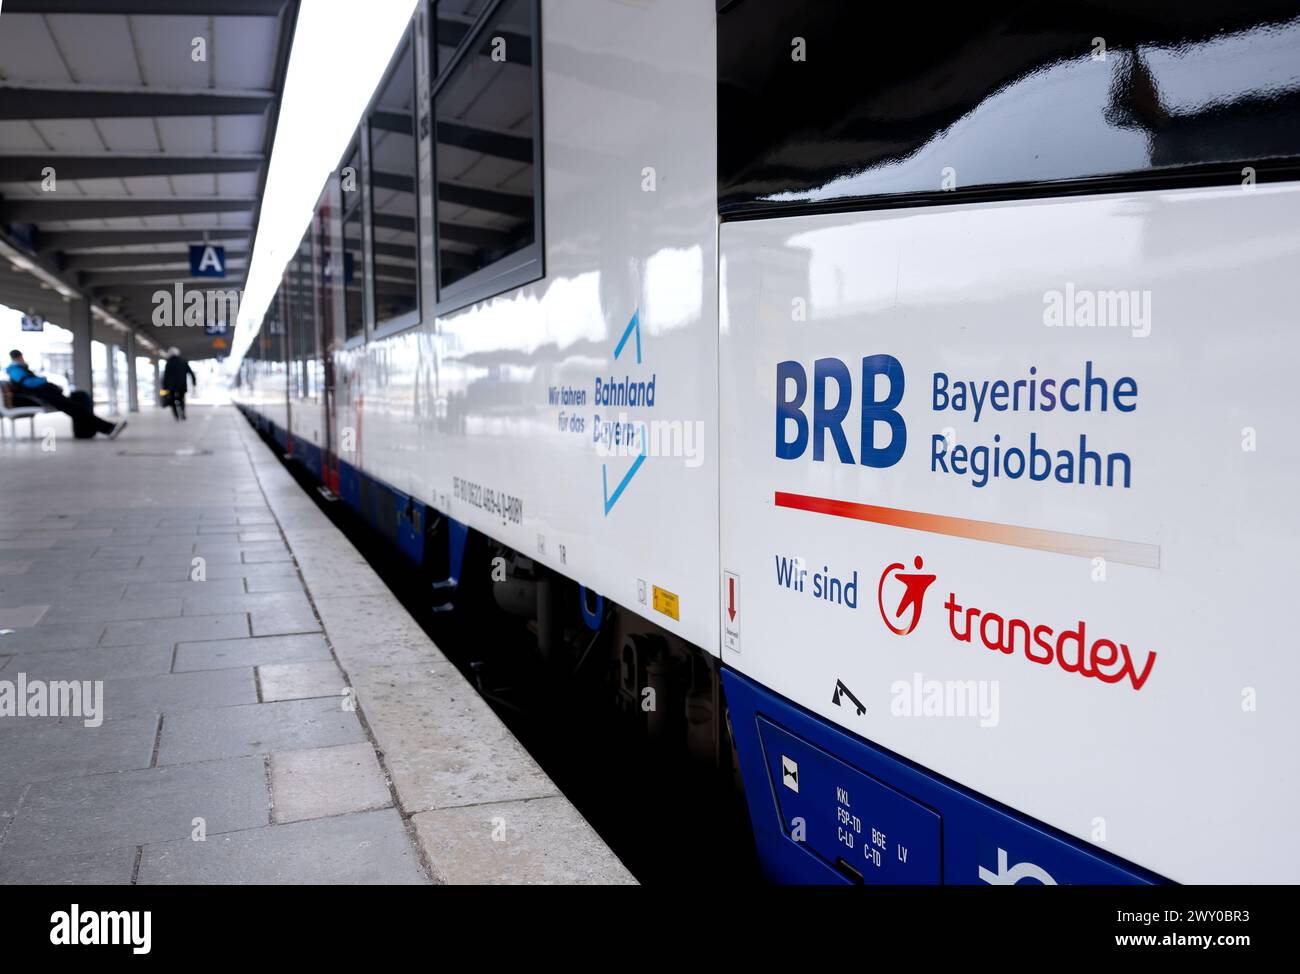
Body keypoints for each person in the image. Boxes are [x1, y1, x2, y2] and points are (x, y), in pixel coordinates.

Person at [5, 350, 125, 439]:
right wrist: (43, 379)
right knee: (75, 408)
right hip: (42, 397)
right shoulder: (14, 369)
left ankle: (107, 429)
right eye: (20, 357)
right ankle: (108, 428)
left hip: (45, 395)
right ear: (17, 357)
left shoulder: (19, 368)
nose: (22, 359)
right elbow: (28, 383)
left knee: (75, 407)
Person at [161, 347, 196, 420]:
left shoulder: (169, 363)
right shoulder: (183, 361)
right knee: (182, 400)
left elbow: (165, 377)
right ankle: (182, 413)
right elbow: (190, 372)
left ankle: (176, 415)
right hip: (182, 386)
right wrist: (194, 382)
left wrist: (164, 388)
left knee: (172, 401)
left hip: (171, 387)